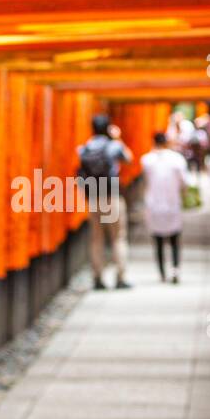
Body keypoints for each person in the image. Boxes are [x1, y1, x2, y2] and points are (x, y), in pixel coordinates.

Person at [77, 113, 133, 290]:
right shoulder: (113, 146)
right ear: (108, 128)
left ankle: (97, 278)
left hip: (94, 197)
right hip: (112, 196)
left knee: (96, 239)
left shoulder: (84, 148)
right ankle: (120, 277)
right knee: (118, 237)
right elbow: (129, 159)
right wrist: (117, 137)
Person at [140, 131, 189, 284]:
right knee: (174, 238)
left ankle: (162, 272)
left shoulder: (147, 160)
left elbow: (145, 180)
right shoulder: (177, 159)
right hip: (172, 202)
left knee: (158, 240)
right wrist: (185, 193)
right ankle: (175, 269)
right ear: (167, 142)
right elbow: (184, 182)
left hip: (154, 203)